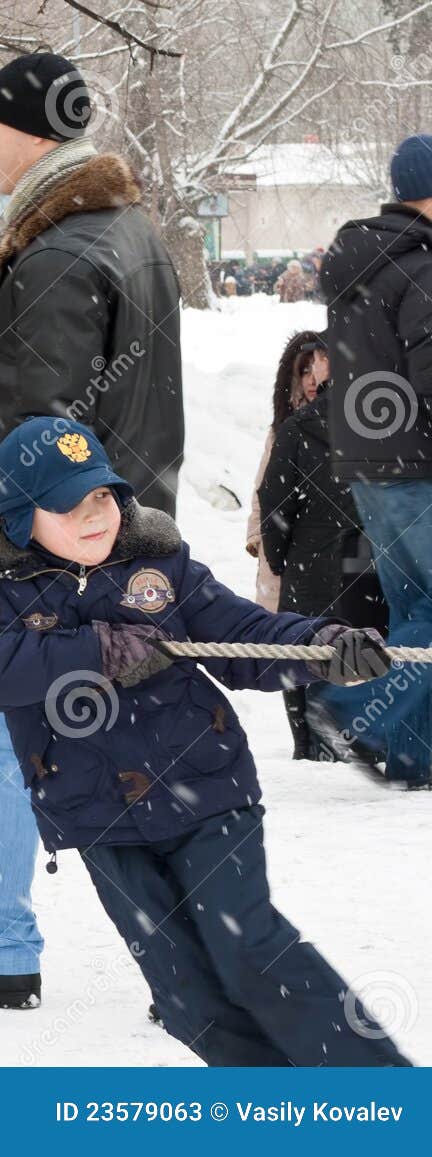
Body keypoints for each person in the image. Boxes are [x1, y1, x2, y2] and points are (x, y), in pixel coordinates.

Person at [0, 416, 408, 1066]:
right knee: (187, 997)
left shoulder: (159, 562)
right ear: (21, 518)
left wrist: (321, 648)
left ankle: (387, 1093)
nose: (93, 515)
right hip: (101, 820)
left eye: (101, 494)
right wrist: (94, 651)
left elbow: (242, 636)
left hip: (209, 792)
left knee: (249, 950)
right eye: (68, 505)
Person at [0, 52, 183, 1010]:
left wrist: (3, 535)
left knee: (7, 731)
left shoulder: (61, 249)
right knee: (111, 734)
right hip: (123, 519)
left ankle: (0, 946)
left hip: (60, 545)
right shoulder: (125, 228)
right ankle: (169, 953)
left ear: (34, 130)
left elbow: (46, 429)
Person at [317, 132, 432, 789]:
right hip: (418, 467)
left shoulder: (363, 265)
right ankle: (358, 710)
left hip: (369, 466)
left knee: (416, 610)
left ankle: (416, 756)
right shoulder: (422, 268)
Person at [259, 337, 386, 761]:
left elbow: (275, 501)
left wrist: (279, 559)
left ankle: (309, 743)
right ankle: (366, 736)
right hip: (374, 563)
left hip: (311, 563)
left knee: (305, 651)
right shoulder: (388, 424)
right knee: (374, 650)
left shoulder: (296, 429)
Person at [247, 330, 326, 615]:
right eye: (304, 371)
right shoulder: (282, 429)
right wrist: (257, 537)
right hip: (277, 543)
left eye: (315, 369)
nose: (312, 380)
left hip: (315, 544)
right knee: (275, 621)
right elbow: (263, 488)